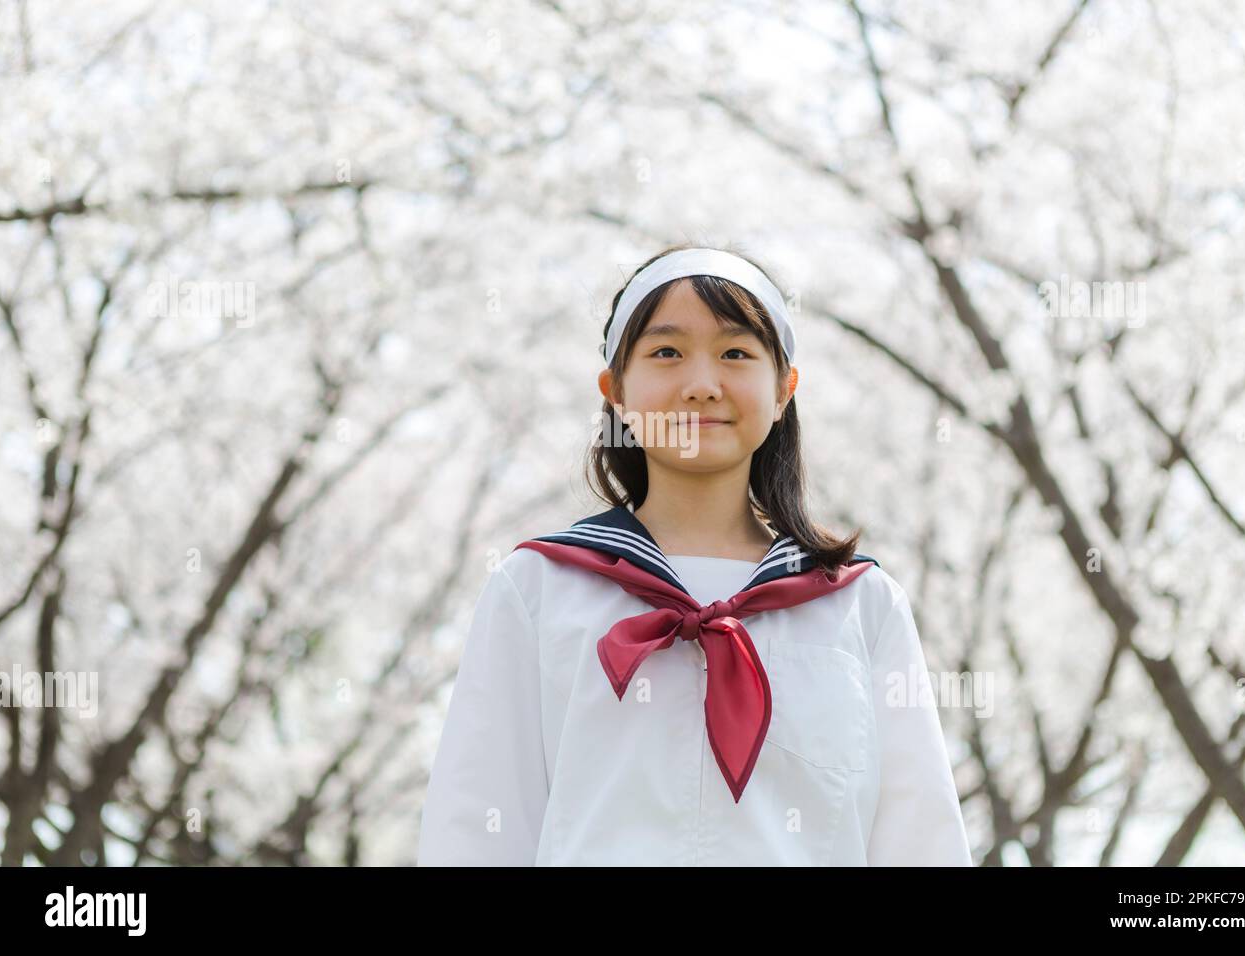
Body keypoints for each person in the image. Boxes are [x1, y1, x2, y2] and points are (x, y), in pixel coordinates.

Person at [417, 244, 973, 865]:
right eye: (666, 353)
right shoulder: (536, 589)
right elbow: (476, 829)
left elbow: (919, 835)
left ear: (785, 388)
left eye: (736, 353)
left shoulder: (860, 605)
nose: (702, 385)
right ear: (616, 391)